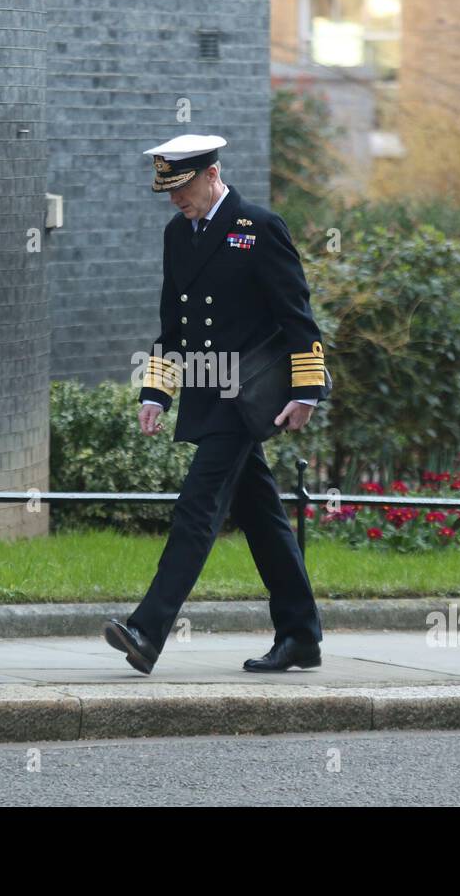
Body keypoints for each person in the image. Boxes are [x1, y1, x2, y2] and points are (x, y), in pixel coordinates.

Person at [103, 133, 328, 675]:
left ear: (212, 175)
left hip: (246, 397)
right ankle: (301, 635)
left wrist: (306, 391)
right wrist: (157, 392)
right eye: (168, 190)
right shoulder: (178, 234)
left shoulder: (259, 227)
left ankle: (147, 631)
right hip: (208, 391)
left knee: (197, 509)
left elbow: (296, 315)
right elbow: (173, 325)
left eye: (183, 187)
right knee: (263, 518)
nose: (175, 199)